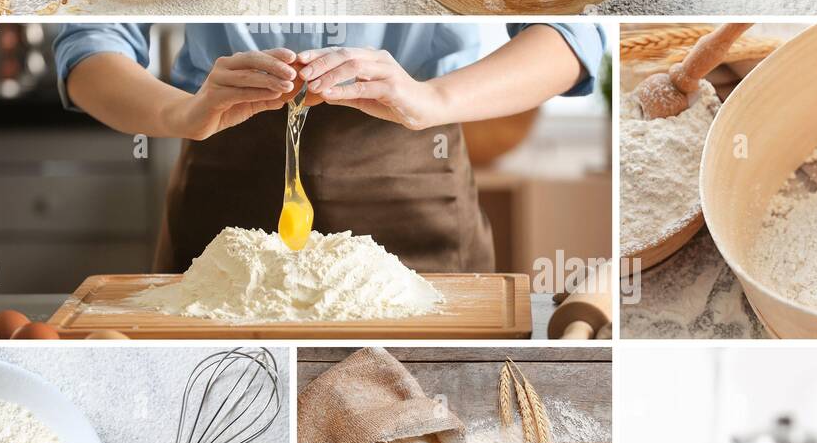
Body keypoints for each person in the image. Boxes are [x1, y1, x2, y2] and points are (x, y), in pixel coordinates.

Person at [54, 24, 604, 273]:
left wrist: (432, 98)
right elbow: (88, 41)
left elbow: (573, 36)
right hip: (222, 179)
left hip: (416, 179)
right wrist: (178, 112)